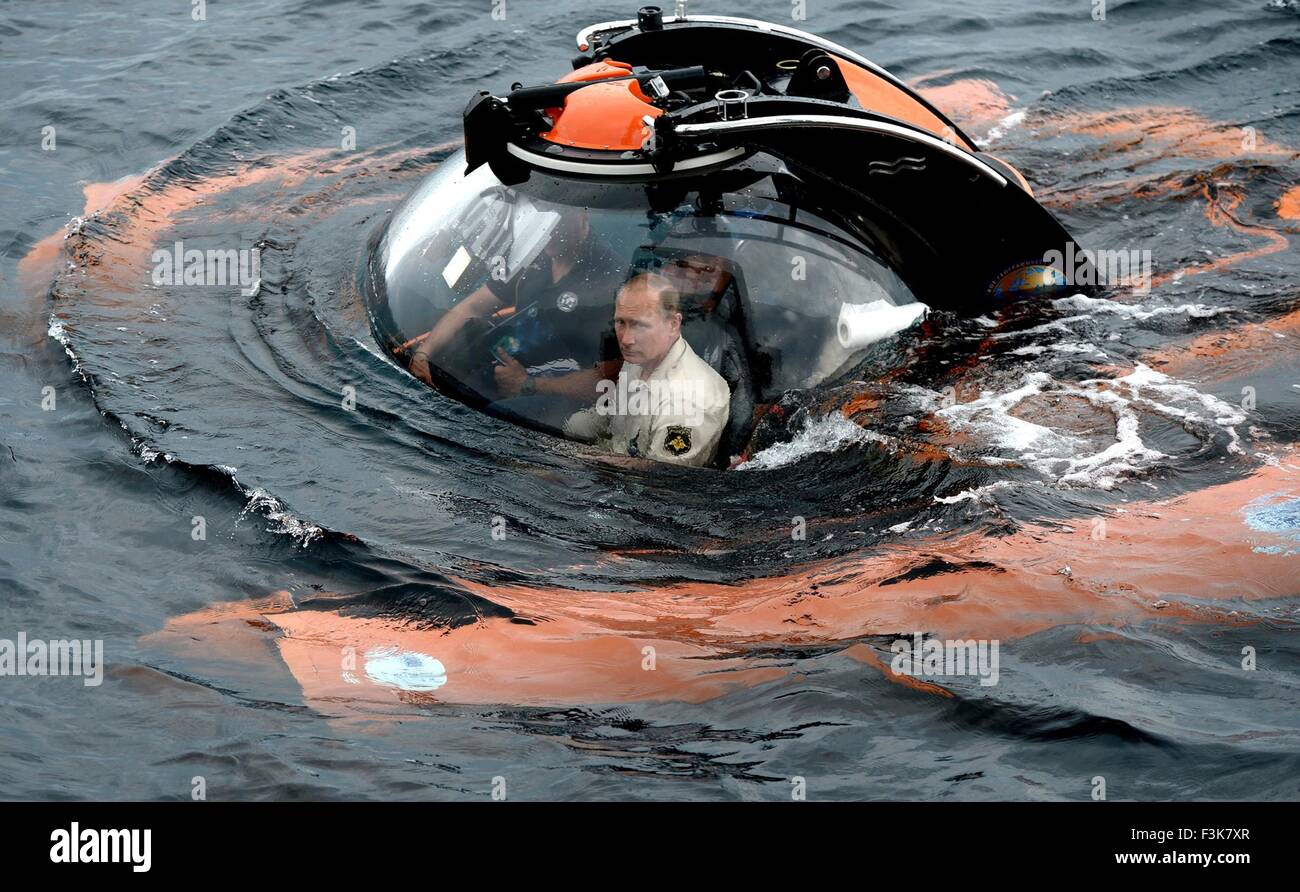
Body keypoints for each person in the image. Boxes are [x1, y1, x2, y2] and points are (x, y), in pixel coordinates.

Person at [407, 209, 624, 428]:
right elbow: (471, 307)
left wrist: (529, 384)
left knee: (492, 420)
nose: (549, 229)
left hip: (563, 393)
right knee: (445, 387)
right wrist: (424, 354)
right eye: (544, 218)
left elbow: (611, 379)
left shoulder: (609, 279)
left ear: (581, 215)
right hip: (510, 369)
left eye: (559, 220)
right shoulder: (533, 255)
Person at [564, 273, 731, 467]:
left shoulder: (688, 402)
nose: (626, 339)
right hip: (614, 457)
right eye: (621, 322)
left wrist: (575, 459)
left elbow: (657, 480)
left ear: (673, 324)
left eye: (640, 325)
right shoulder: (640, 357)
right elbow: (612, 418)